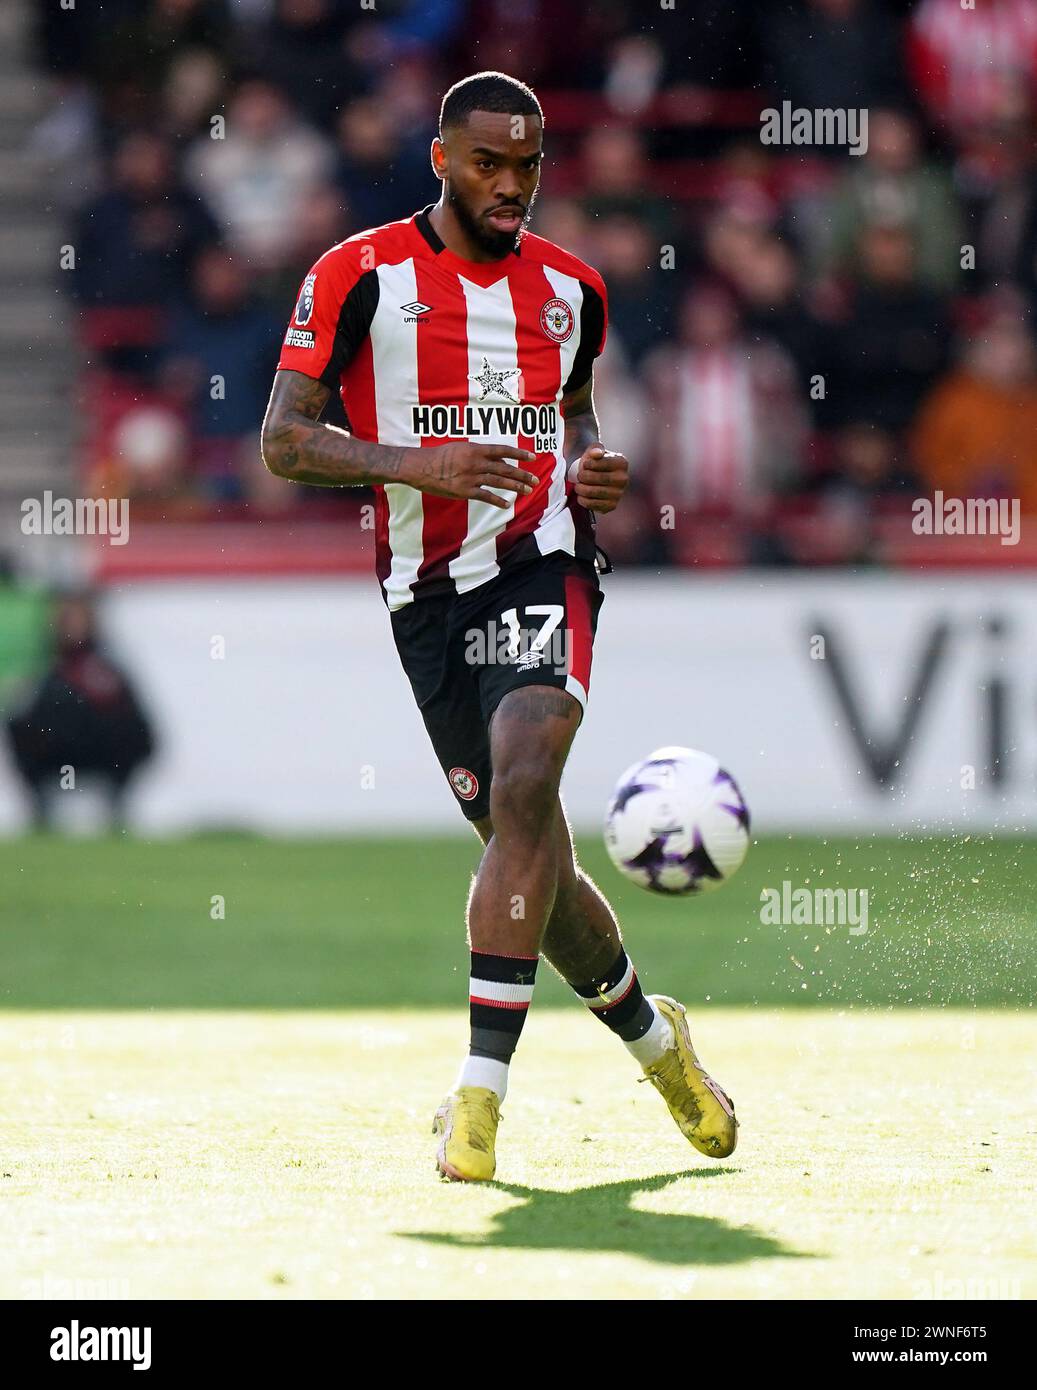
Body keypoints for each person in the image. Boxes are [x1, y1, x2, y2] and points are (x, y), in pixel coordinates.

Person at [261, 71, 737, 1182]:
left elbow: (574, 416)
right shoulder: (357, 276)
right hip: (424, 598)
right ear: (439, 158)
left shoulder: (574, 288)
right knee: (534, 865)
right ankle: (657, 1043)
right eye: (488, 163)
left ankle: (478, 1095)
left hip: (543, 565)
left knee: (526, 784)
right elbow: (284, 442)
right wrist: (414, 462)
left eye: (528, 165)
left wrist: (591, 467)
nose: (511, 184)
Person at [6, 594, 154, 830]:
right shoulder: (44, 668)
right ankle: (41, 811)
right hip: (55, 753)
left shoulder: (107, 668)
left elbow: (141, 728)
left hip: (101, 753)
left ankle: (116, 808)